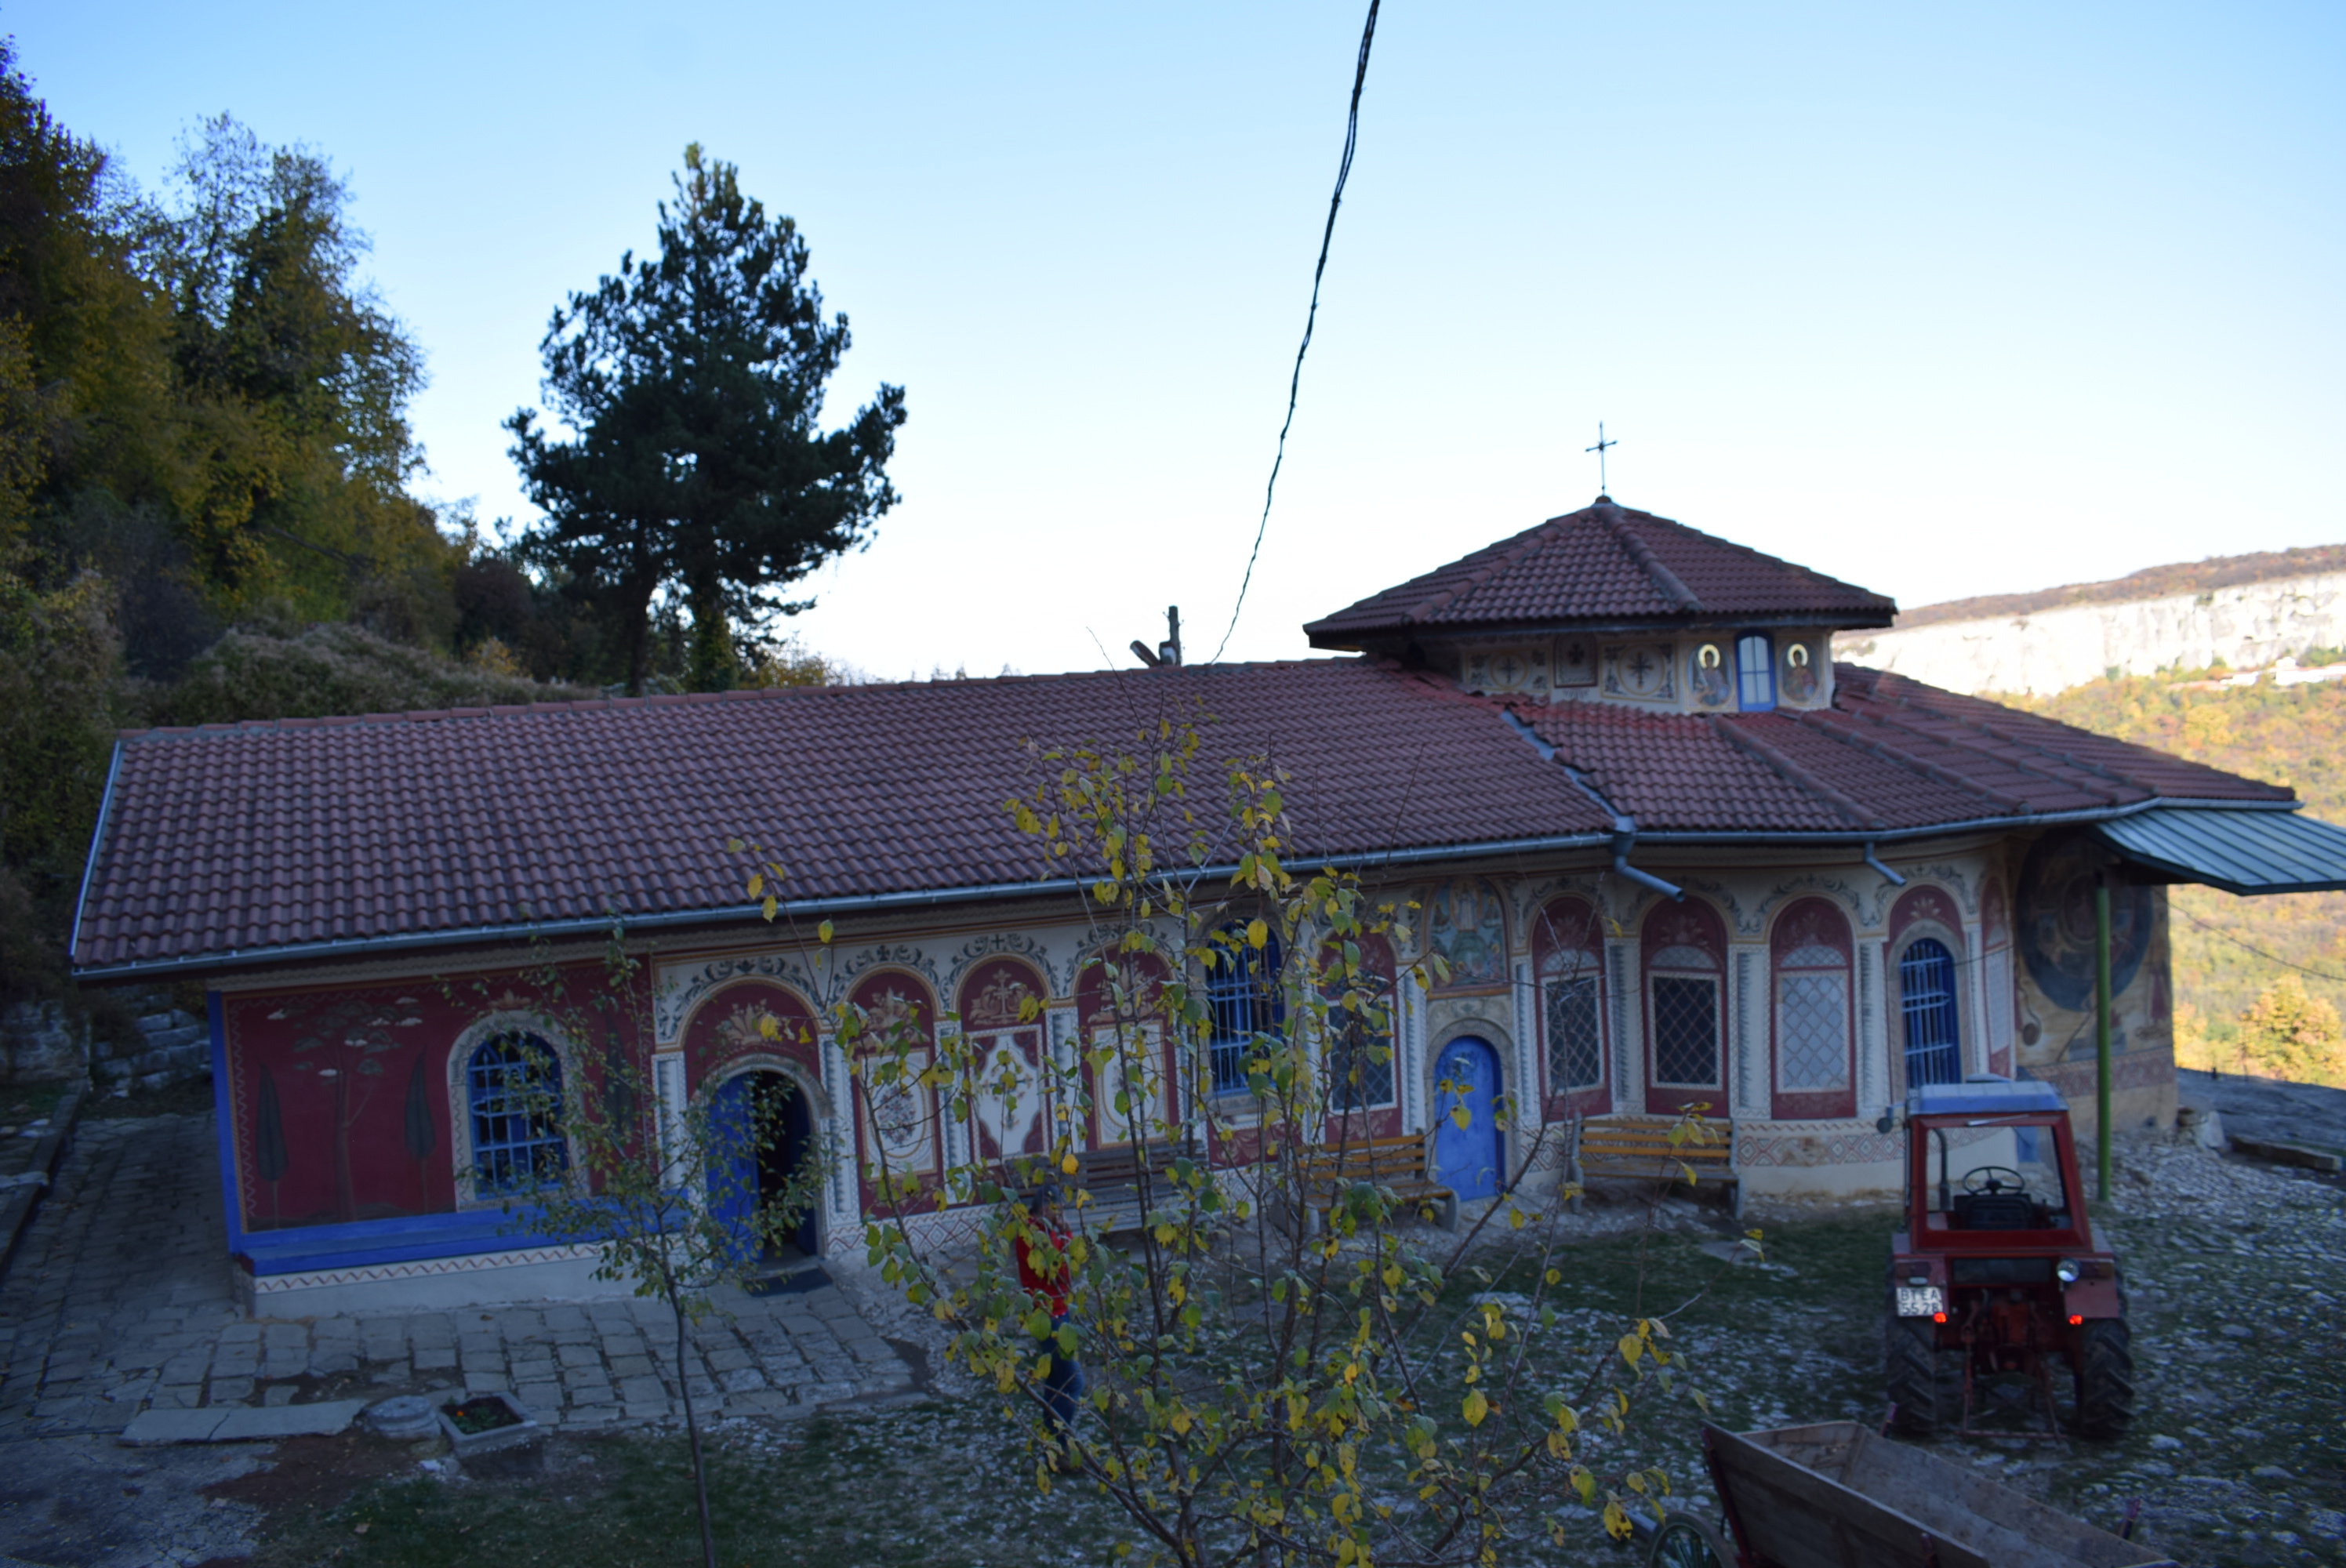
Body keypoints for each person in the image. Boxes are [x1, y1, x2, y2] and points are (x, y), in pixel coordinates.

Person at [1017, 1185, 1085, 1440]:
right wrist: (1066, 1232)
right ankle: (1060, 1443)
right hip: (1049, 1315)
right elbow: (1062, 1270)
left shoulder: (1040, 1231)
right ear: (1047, 1209)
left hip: (1055, 1311)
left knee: (1057, 1379)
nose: (1061, 1215)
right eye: (1058, 1210)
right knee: (1074, 1382)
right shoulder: (1035, 1235)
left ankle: (1050, 1439)